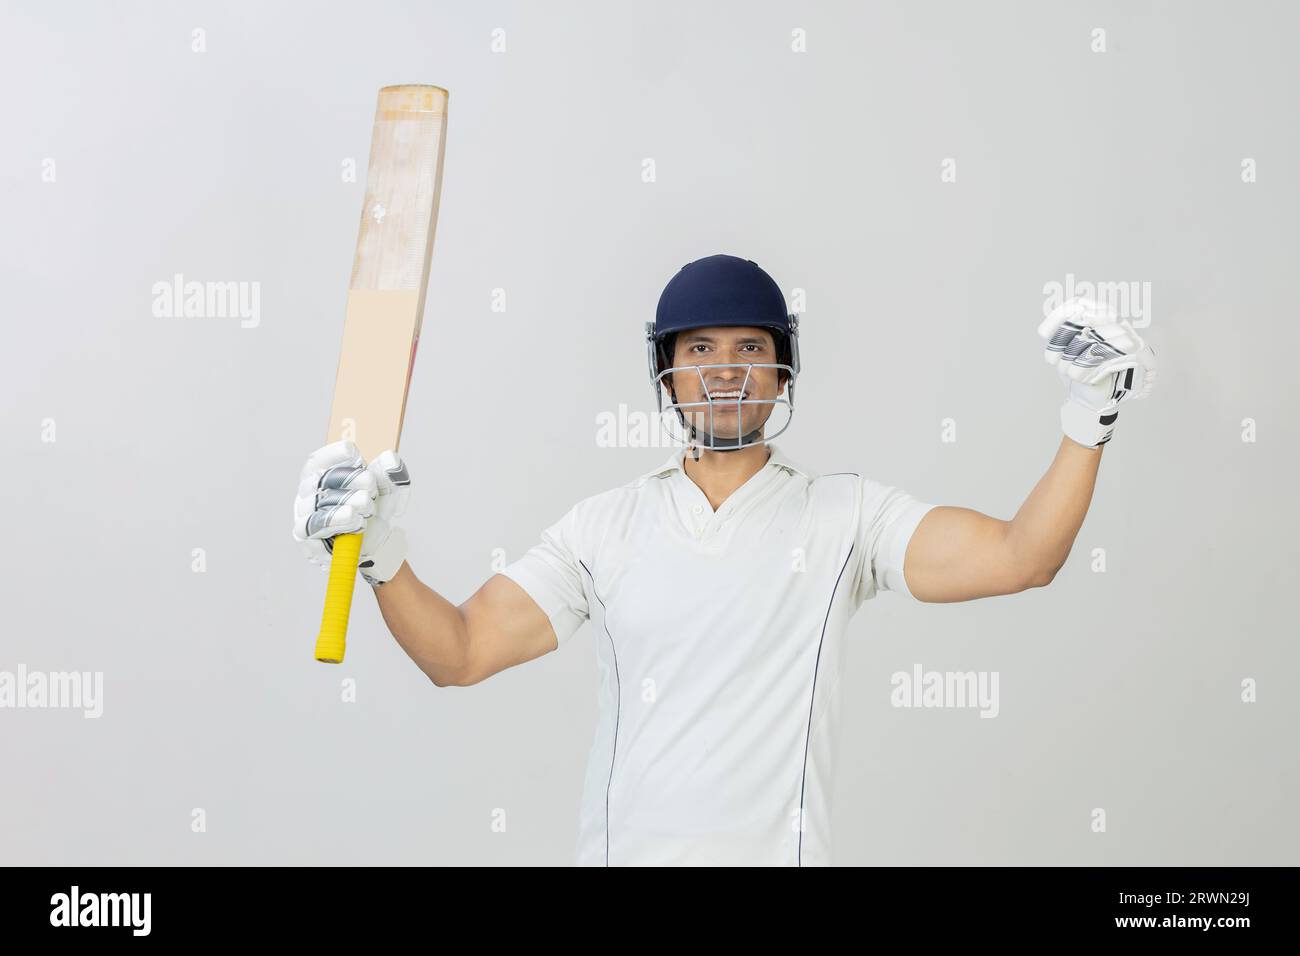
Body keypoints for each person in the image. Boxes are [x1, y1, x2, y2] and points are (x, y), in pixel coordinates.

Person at [293, 253, 1157, 865]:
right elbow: (461, 652)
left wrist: (1089, 415)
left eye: (750, 348)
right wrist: (380, 555)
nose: (727, 372)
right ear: (665, 375)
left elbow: (1020, 556)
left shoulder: (846, 515)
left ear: (783, 374)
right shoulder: (604, 527)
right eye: (699, 350)